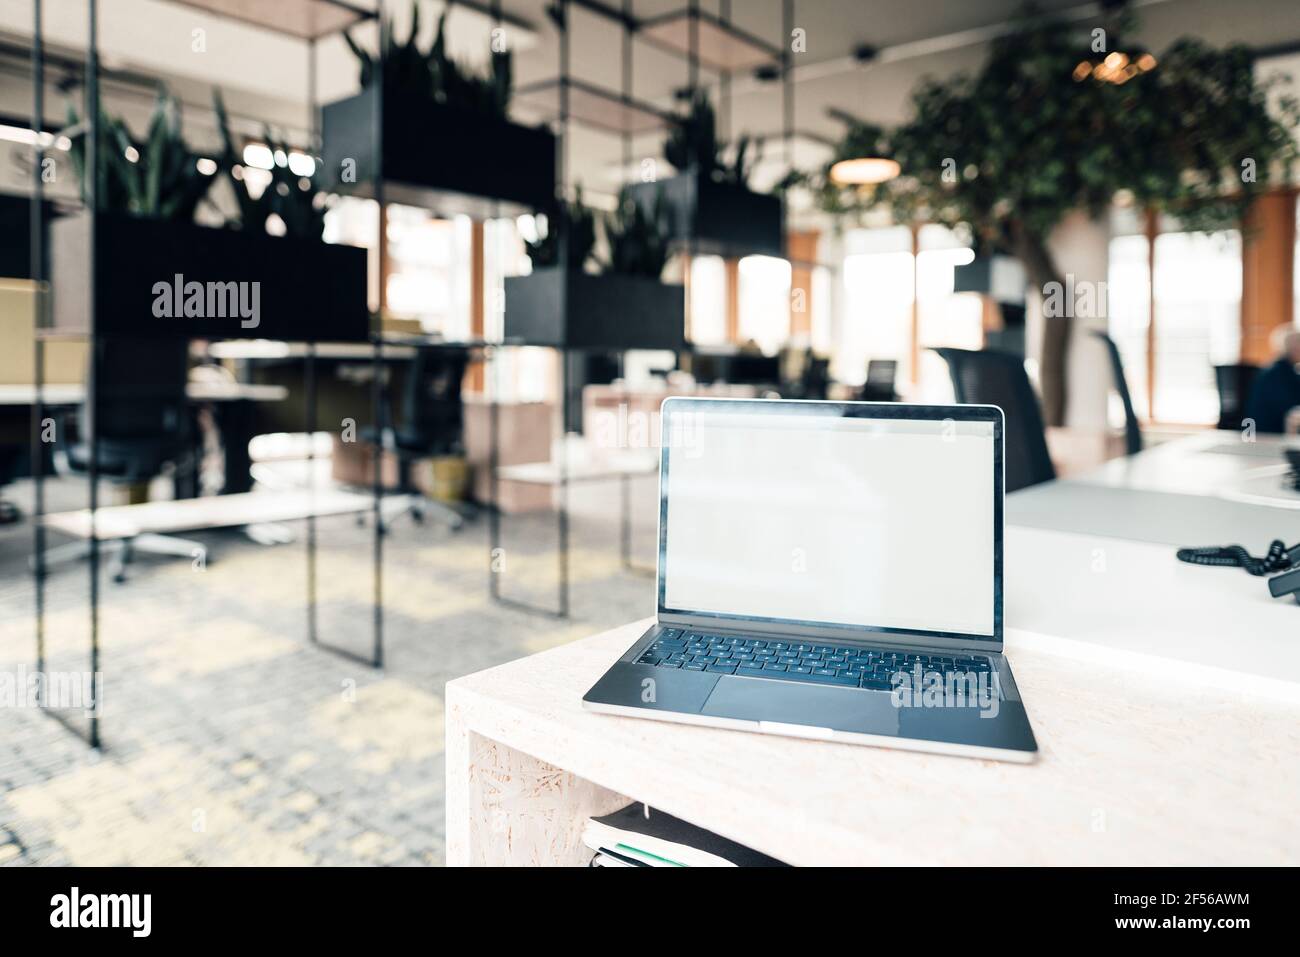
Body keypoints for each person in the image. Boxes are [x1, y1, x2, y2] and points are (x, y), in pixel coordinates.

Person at [1245, 327, 1300, 434]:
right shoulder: (1280, 373)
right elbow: (1291, 404)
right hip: (1269, 433)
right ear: (1295, 348)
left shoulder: (1274, 369)